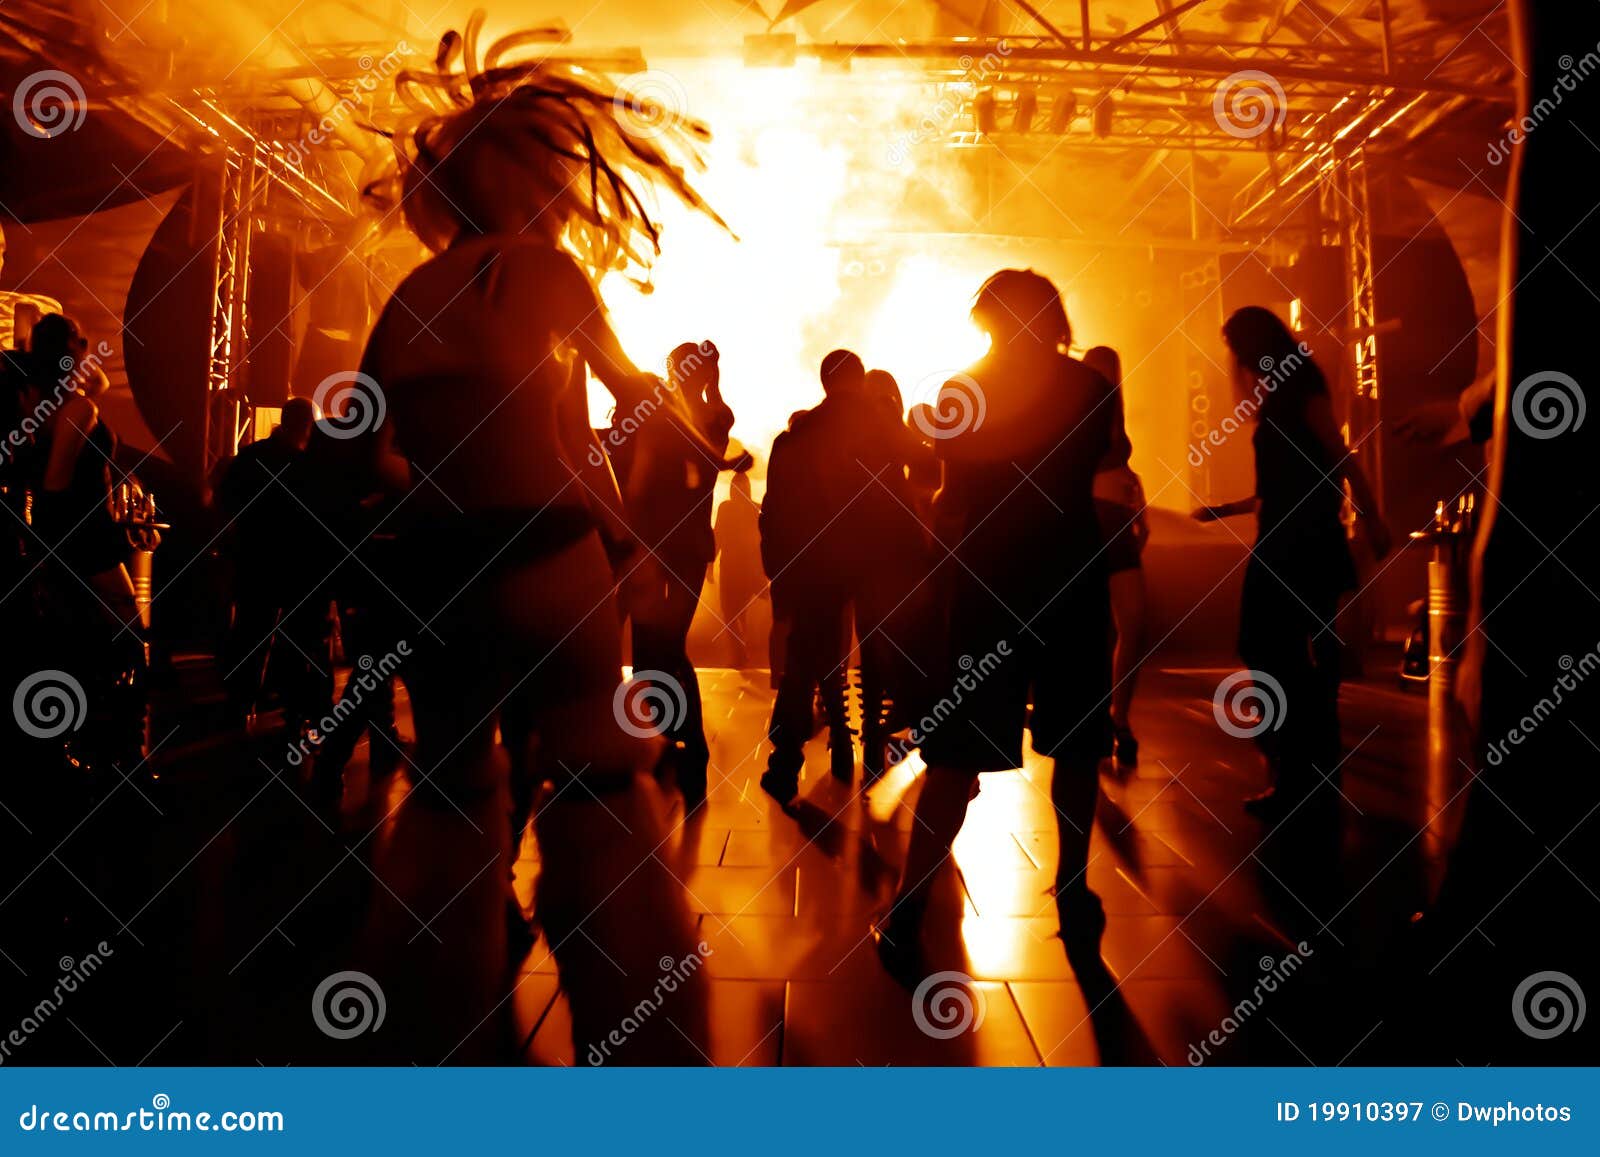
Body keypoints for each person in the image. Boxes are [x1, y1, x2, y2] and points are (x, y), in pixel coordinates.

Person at [344, 18, 744, 1063]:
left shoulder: (410, 295)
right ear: (541, 182)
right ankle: (643, 1040)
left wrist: (431, 485)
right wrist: (688, 455)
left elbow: (362, 446)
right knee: (601, 790)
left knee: (450, 791)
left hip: (434, 573)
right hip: (547, 563)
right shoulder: (549, 277)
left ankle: (431, 1031)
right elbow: (623, 401)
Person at [875, 270, 1116, 974]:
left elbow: (951, 496)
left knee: (954, 756)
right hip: (1072, 573)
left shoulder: (961, 390)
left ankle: (908, 908)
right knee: (1077, 744)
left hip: (988, 585)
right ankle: (1073, 885)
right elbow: (1092, 472)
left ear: (987, 316)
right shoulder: (1092, 389)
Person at [1192, 306, 1391, 817]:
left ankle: (1296, 773)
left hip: (1295, 545)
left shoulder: (1298, 386)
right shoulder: (1285, 389)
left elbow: (1339, 455)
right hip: (1297, 540)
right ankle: (1306, 776)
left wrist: (1371, 517)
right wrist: (1226, 510)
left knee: (1272, 651)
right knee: (1298, 660)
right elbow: (1284, 485)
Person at [21, 314, 146, 772]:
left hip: (72, 541)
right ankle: (125, 753)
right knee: (128, 638)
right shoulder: (77, 410)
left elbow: (96, 383)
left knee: (81, 644)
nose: (88, 344)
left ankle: (88, 746)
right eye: (80, 339)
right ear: (65, 350)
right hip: (84, 540)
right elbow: (56, 484)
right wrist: (59, 553)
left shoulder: (52, 403)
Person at [617, 340, 738, 808]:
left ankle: (685, 741)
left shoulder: (710, 415)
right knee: (654, 646)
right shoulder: (665, 412)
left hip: (675, 544)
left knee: (663, 644)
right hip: (665, 543)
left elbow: (698, 470)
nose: (681, 377)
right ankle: (672, 738)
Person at [759, 350, 870, 802]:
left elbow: (773, 515)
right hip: (849, 568)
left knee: (806, 660)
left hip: (805, 569)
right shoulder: (869, 437)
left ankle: (787, 760)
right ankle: (834, 740)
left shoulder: (794, 441)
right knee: (824, 656)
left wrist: (778, 571)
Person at [215, 397, 321, 733]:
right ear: (307, 425)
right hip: (295, 562)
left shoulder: (250, 456)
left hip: (253, 556)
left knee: (250, 629)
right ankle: (295, 710)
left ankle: (239, 704)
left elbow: (224, 500)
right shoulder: (306, 465)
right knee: (299, 635)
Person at [1082, 346, 1149, 768]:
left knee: (1132, 623)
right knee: (1099, 629)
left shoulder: (1111, 414)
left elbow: (1121, 468)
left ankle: (1117, 717)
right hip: (1095, 521)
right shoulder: (1080, 411)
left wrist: (1137, 498)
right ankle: (1103, 719)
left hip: (1118, 522)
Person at [713, 470, 764, 670]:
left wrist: (710, 563)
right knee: (739, 612)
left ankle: (739, 654)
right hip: (749, 568)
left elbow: (718, 536)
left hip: (730, 568)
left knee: (729, 613)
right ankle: (741, 651)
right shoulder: (756, 508)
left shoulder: (726, 507)